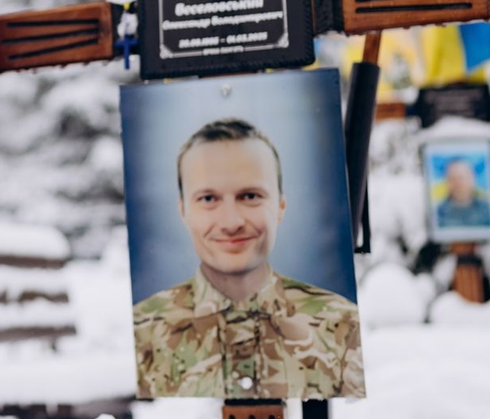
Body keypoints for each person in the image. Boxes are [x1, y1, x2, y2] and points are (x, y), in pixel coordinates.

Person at [133, 118, 364, 400]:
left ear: (280, 206)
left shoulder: (341, 326)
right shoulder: (143, 332)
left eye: (250, 196)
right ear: (183, 211)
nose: (231, 222)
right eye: (208, 199)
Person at [436, 157, 490, 229]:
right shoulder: (437, 214)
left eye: (462, 177)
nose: (459, 183)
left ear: (472, 179)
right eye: (454, 178)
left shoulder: (488, 211)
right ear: (447, 181)